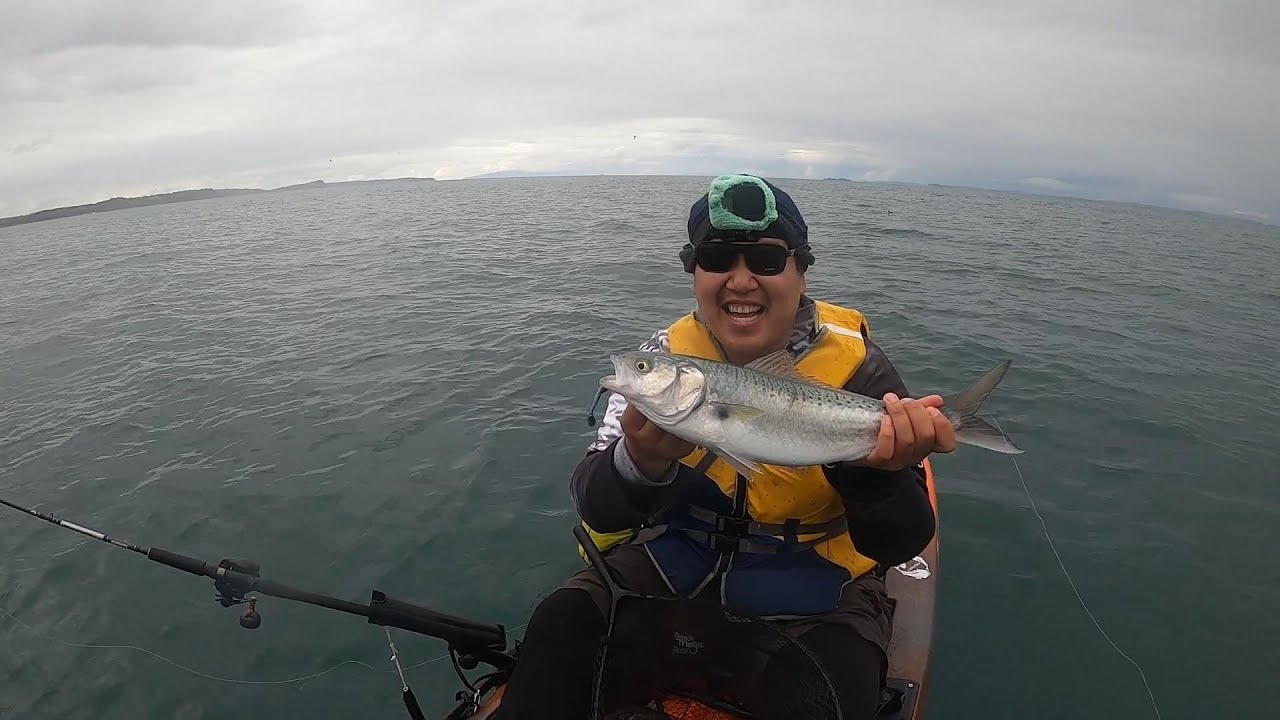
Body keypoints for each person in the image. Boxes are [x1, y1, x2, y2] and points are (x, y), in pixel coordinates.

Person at [493, 174, 953, 720]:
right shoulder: (660, 359)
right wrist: (638, 463)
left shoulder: (861, 372)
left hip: (819, 592)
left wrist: (877, 477)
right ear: (694, 274)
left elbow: (900, 543)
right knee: (559, 624)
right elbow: (595, 504)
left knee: (824, 699)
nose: (741, 281)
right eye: (716, 258)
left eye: (765, 260)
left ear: (801, 273)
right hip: (672, 564)